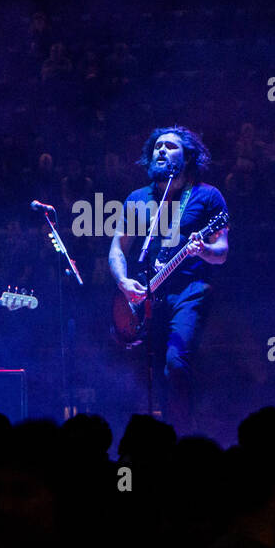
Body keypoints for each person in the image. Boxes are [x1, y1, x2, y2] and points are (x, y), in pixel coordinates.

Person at [109, 126, 229, 431]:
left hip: (191, 290)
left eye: (171, 147)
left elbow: (222, 251)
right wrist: (123, 282)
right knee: (152, 371)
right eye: (157, 147)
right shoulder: (137, 199)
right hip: (150, 296)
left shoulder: (207, 196)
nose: (161, 151)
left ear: (187, 157)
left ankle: (184, 437)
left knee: (176, 363)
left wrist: (202, 249)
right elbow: (117, 249)